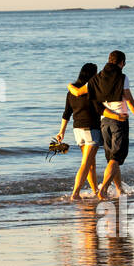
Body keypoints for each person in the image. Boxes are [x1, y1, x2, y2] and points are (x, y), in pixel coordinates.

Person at [69, 50, 134, 201]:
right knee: (115, 159)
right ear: (122, 63)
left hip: (104, 121)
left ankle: (119, 190)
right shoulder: (122, 77)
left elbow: (78, 92)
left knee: (111, 158)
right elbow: (130, 101)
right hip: (120, 121)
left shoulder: (97, 78)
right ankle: (102, 190)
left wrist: (68, 86)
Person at [56, 62, 101, 201]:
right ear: (92, 75)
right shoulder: (92, 90)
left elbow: (66, 113)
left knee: (91, 163)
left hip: (77, 131)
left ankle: (95, 191)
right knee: (86, 164)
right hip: (91, 130)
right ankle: (75, 194)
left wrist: (61, 132)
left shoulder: (71, 92)